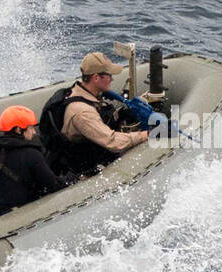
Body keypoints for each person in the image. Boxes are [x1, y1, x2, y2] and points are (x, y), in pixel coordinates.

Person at [40, 52, 149, 180]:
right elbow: (112, 142)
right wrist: (145, 135)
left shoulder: (77, 90)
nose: (112, 79)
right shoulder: (82, 112)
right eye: (109, 75)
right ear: (96, 78)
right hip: (78, 165)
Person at [0, 106, 63, 227]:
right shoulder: (31, 154)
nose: (34, 132)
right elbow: (53, 184)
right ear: (18, 130)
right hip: (21, 216)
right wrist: (73, 179)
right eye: (31, 128)